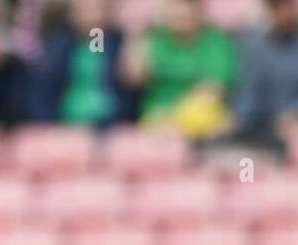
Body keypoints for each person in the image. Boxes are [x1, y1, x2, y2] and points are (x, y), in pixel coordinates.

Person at [122, 0, 238, 139]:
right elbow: (135, 78)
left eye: (187, 7)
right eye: (175, 7)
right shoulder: (155, 39)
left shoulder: (215, 40)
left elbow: (213, 90)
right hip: (158, 117)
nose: (181, 13)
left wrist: (177, 121)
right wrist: (137, 35)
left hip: (201, 115)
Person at [233, 0, 298, 151]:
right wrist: (240, 120)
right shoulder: (254, 43)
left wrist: (293, 114)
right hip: (265, 126)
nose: (281, 12)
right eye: (274, 6)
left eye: (285, 5)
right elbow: (249, 90)